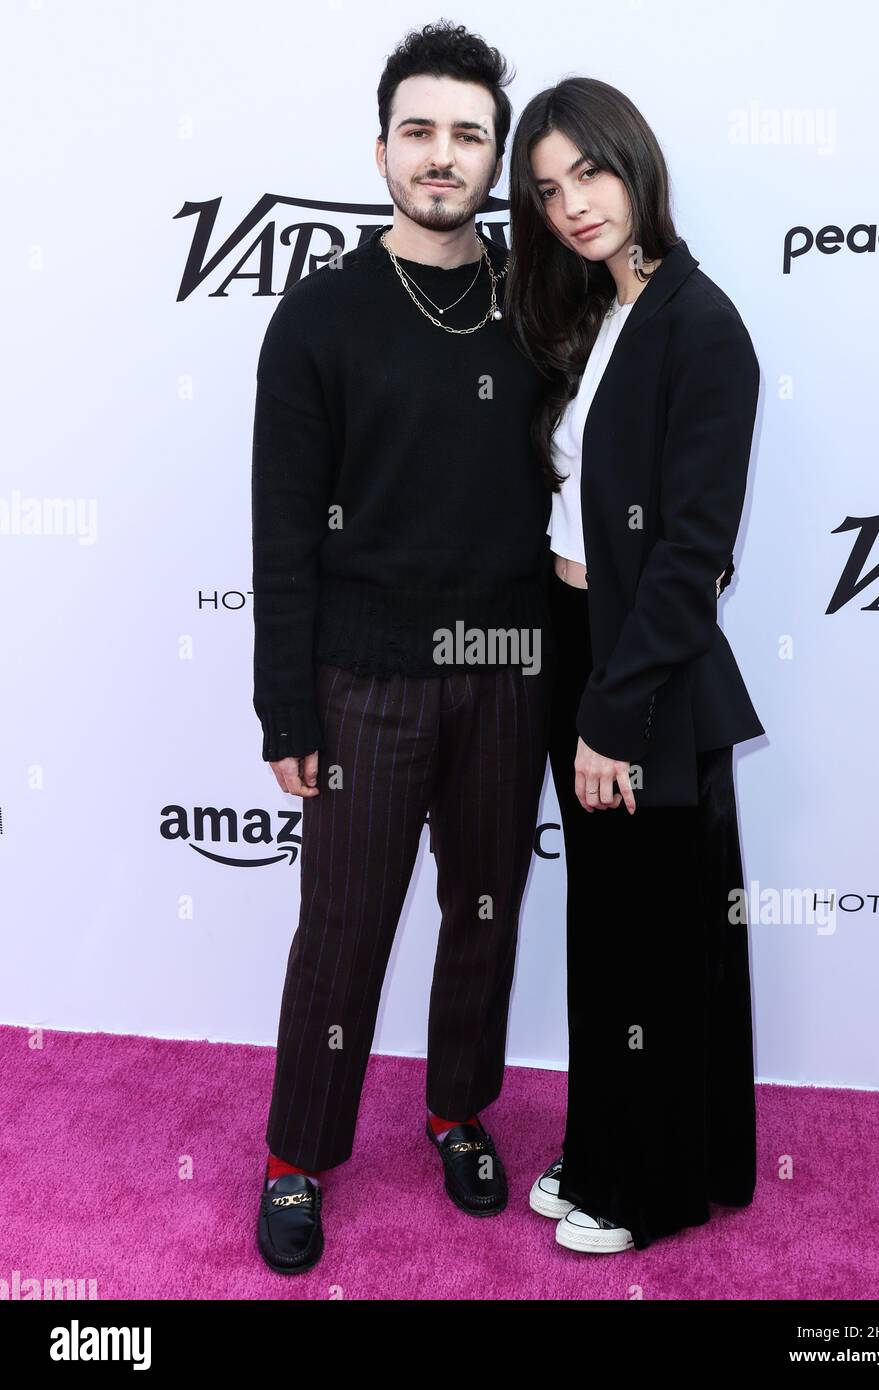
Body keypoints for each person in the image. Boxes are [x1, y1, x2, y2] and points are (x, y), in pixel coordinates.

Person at [250, 22, 553, 1274]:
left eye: (467, 135)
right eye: (419, 131)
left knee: (484, 911)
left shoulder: (542, 305)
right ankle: (294, 1158)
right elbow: (279, 533)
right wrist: (287, 713)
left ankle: (456, 1111)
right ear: (380, 149)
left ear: (495, 158)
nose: (442, 156)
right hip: (363, 673)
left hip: (508, 669)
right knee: (344, 924)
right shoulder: (318, 317)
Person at [505, 76, 765, 1253]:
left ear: (636, 164)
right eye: (548, 189)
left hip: (638, 669)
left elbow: (690, 554)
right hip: (576, 646)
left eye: (588, 174)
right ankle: (616, 1139)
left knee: (653, 941)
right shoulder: (601, 313)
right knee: (613, 930)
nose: (570, 205)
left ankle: (648, 1186)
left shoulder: (700, 327)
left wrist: (612, 714)